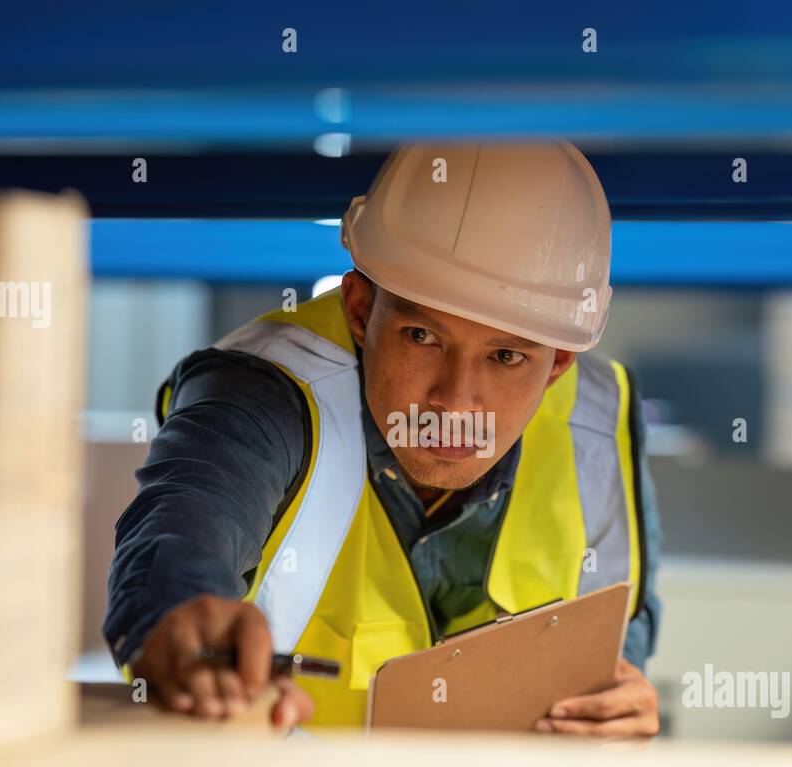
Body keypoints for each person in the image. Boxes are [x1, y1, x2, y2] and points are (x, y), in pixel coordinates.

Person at [103, 140, 662, 736]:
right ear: (361, 307)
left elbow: (615, 649)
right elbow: (188, 518)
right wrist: (180, 609)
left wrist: (618, 708)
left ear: (557, 365)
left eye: (505, 356)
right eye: (422, 335)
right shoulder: (265, 390)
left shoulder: (595, 417)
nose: (454, 401)